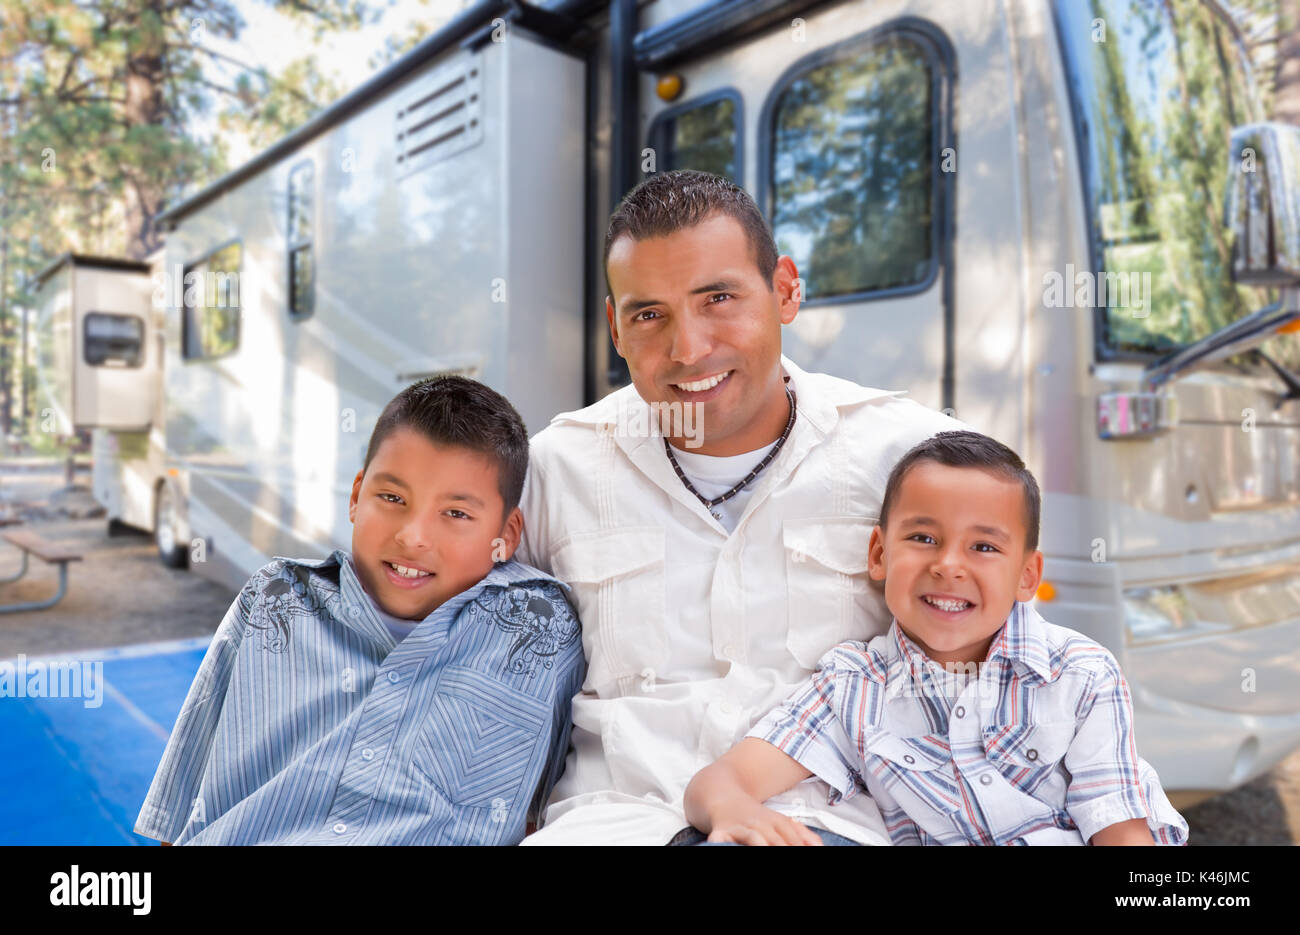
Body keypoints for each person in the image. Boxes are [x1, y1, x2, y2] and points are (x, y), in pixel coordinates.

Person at [515, 169, 965, 845]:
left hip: (826, 824)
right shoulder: (556, 468)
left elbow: (1022, 664)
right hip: (616, 824)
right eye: (649, 314)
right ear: (614, 326)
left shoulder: (908, 457)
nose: (689, 349)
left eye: (718, 297)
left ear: (784, 290)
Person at [134, 376, 584, 845]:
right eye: (392, 498)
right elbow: (182, 808)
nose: (413, 536)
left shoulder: (541, 631)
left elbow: (543, 815)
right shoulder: (275, 599)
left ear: (508, 535)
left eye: (455, 514)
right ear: (356, 496)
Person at [683, 431, 1189, 846]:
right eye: (923, 538)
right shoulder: (852, 688)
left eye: (984, 546)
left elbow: (1123, 837)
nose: (948, 566)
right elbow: (723, 781)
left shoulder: (1080, 674)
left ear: (1026, 575)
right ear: (879, 554)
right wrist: (734, 811)